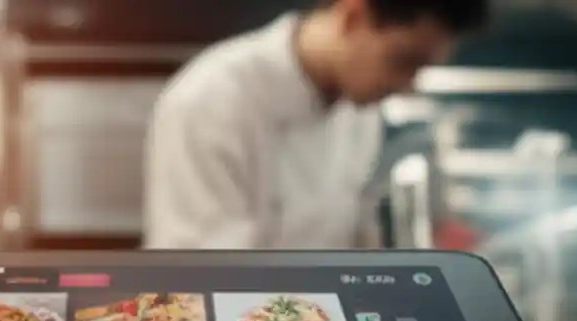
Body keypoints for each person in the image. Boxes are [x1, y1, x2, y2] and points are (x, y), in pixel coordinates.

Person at [144, 0, 489, 250]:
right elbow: (201, 276)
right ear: (353, 16)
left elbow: (349, 234)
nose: (406, 86)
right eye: (404, 61)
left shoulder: (359, 107)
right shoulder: (210, 101)